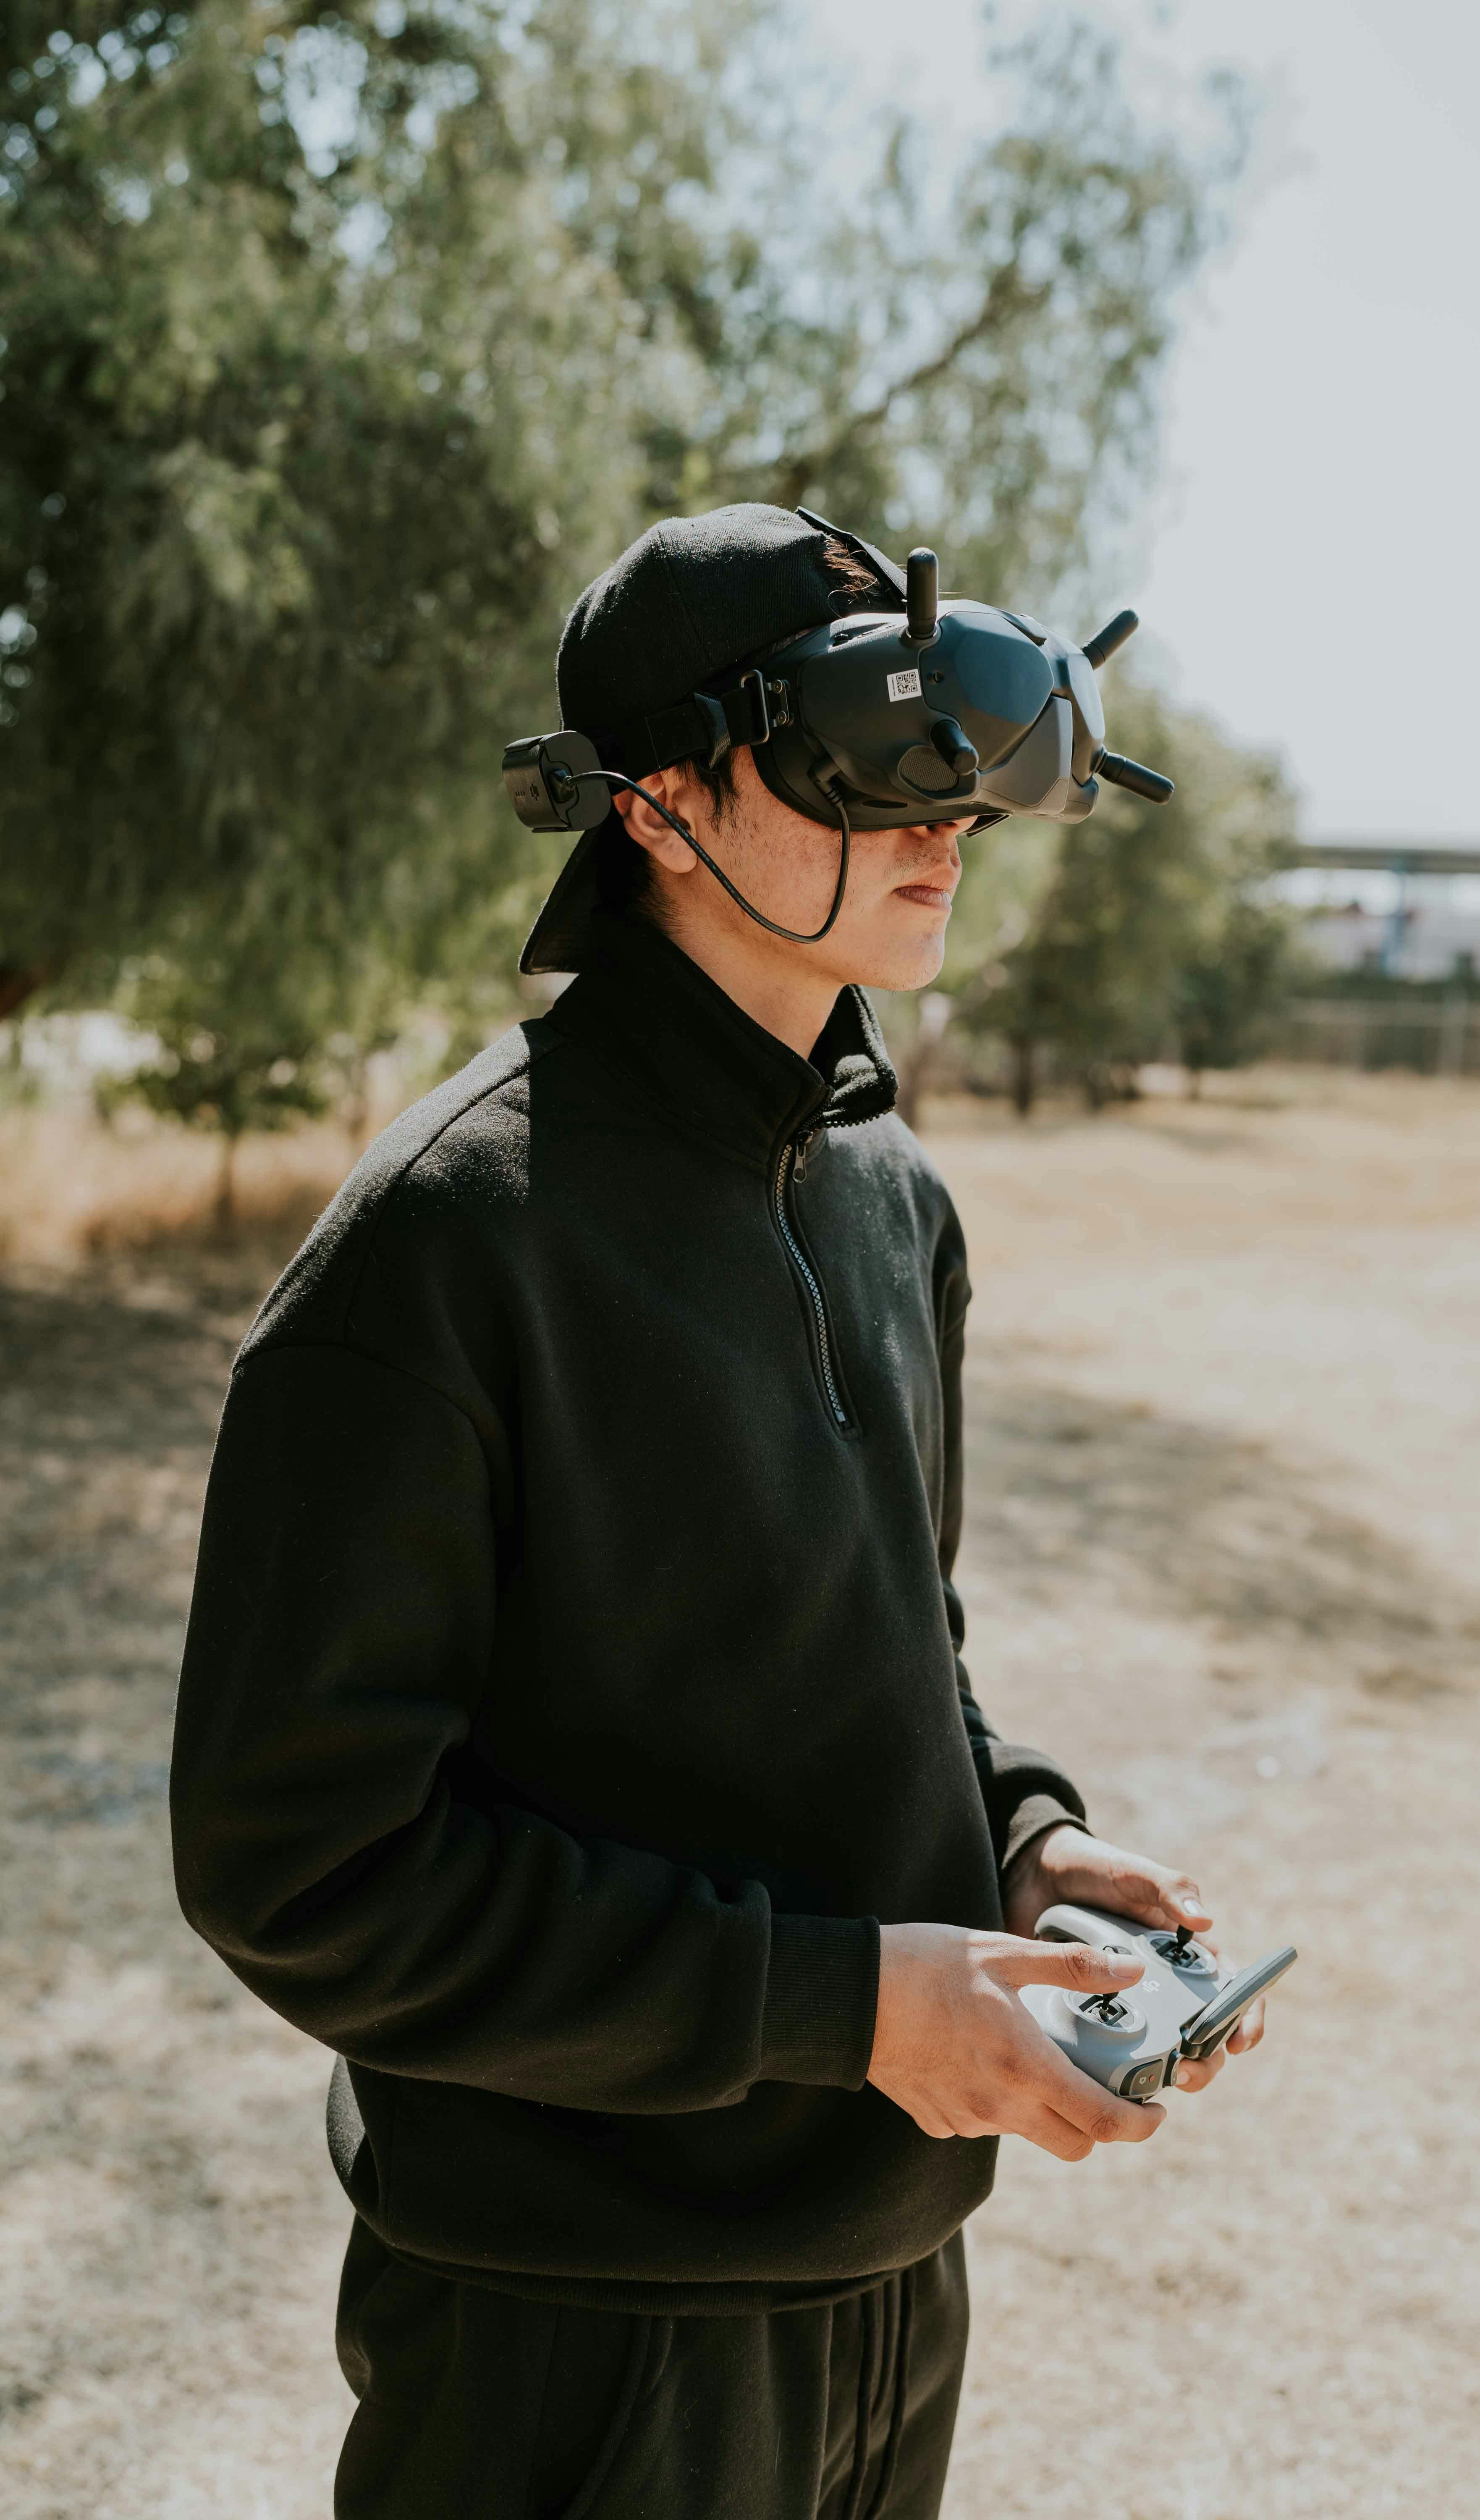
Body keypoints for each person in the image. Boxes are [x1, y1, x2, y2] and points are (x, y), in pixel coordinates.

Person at [170, 503, 1266, 2520]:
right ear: (659, 806)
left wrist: (1019, 1838)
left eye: (957, 757)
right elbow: (301, 1865)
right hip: (576, 2336)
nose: (937, 819)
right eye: (856, 758)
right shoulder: (440, 1249)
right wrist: (840, 2005)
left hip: (886, 2275)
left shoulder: (887, 1194)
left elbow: (889, 1647)